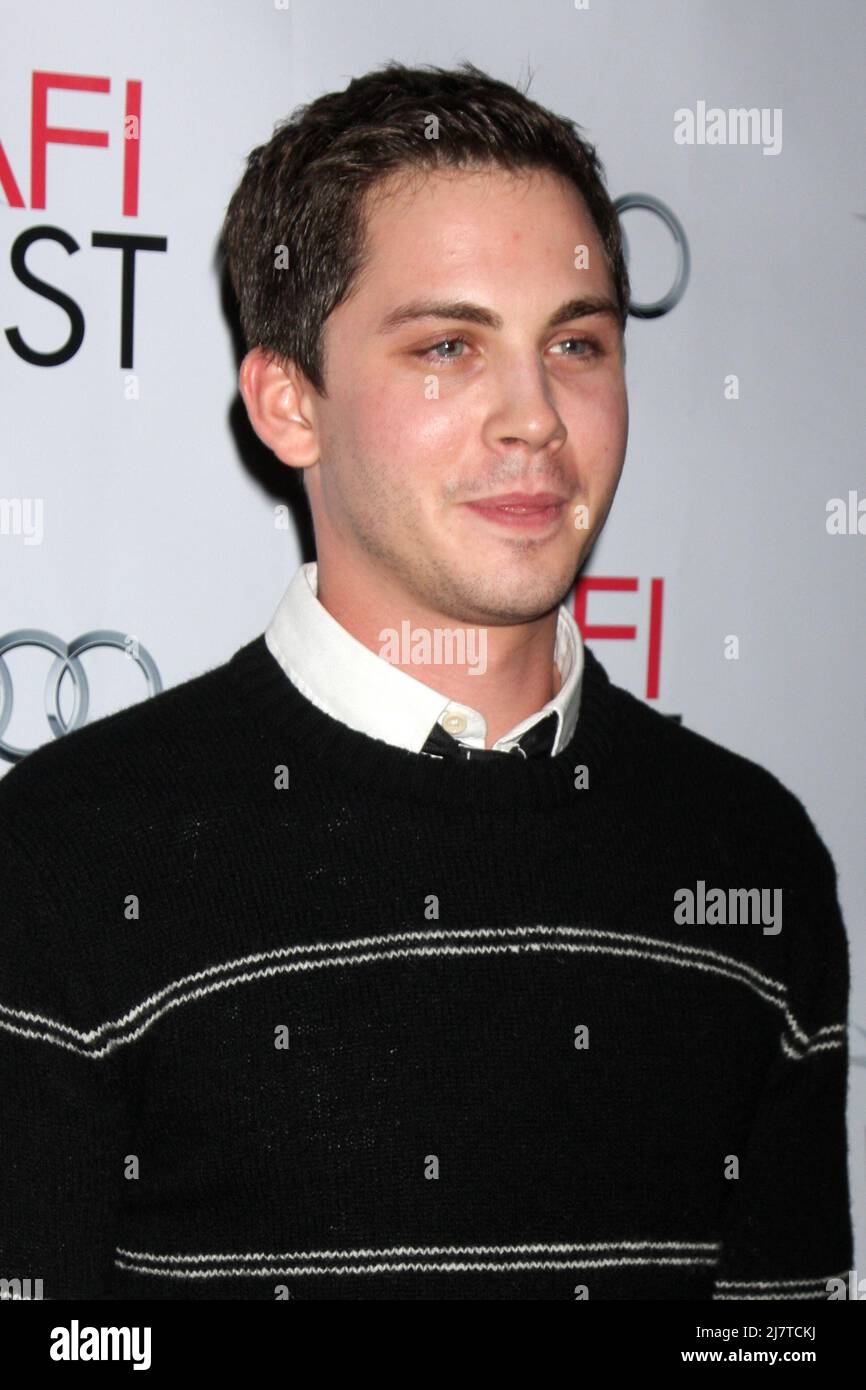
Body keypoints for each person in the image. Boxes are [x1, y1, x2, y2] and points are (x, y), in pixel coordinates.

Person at [0, 61, 852, 1301]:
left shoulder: (747, 852)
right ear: (290, 403)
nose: (534, 419)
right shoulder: (66, 854)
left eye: (574, 343)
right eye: (448, 345)